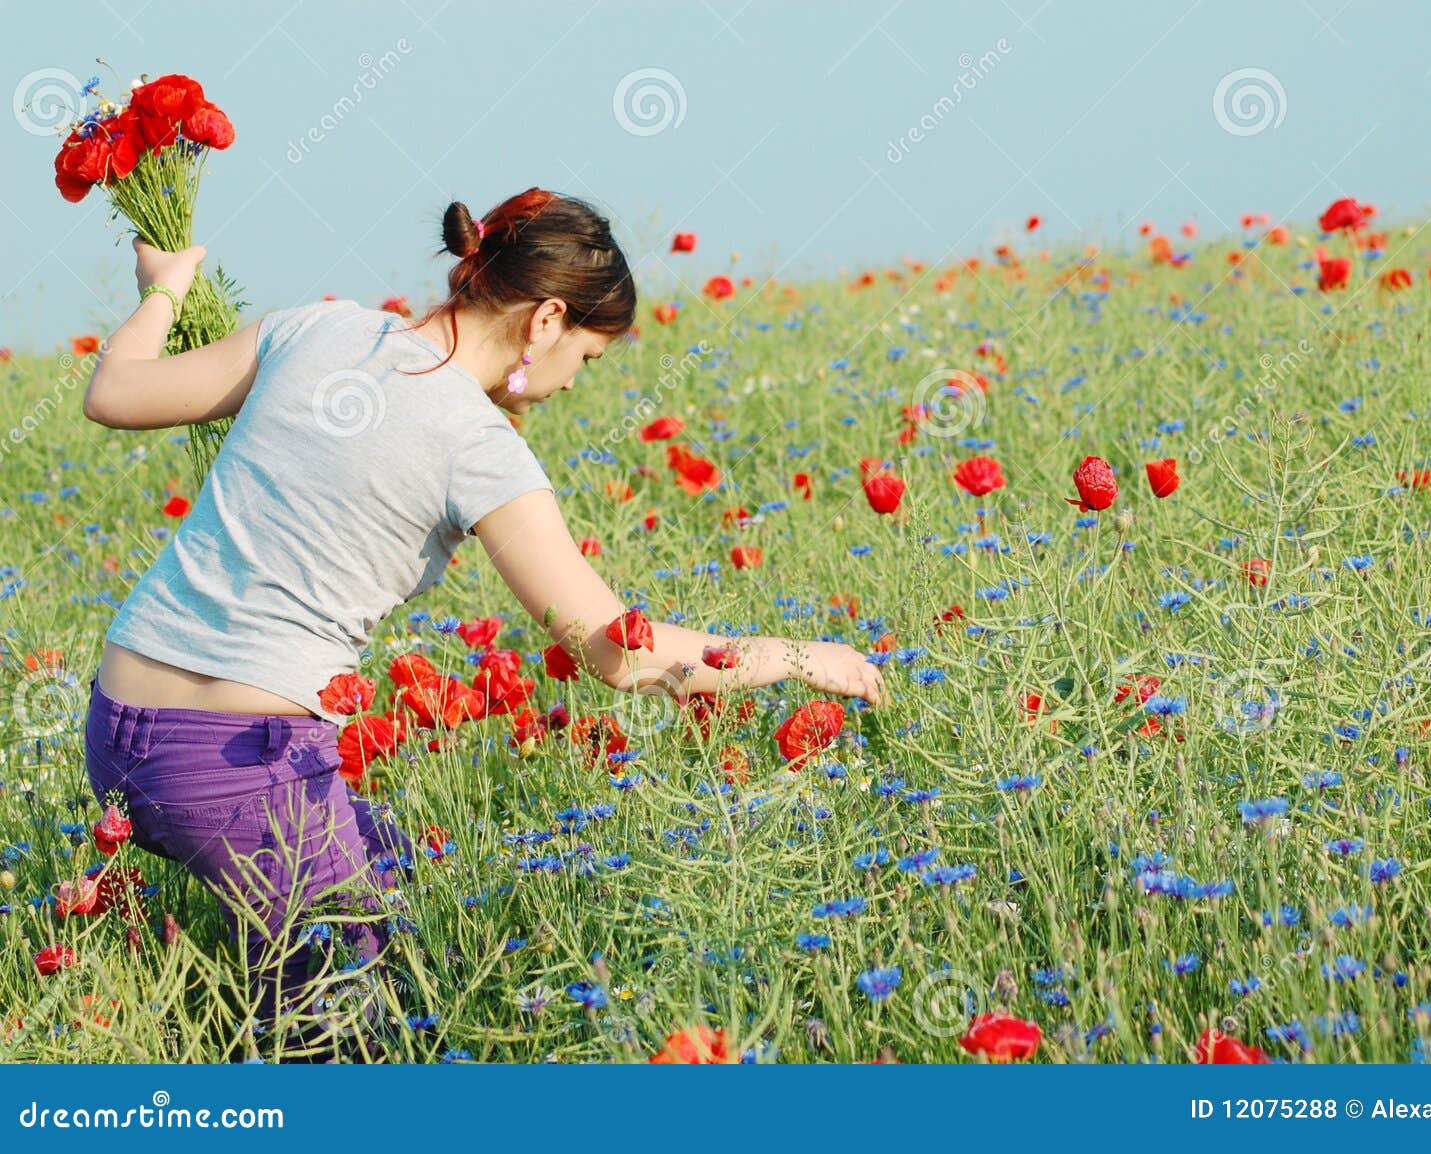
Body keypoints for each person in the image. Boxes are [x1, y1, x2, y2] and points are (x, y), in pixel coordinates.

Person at [79, 186, 886, 1061]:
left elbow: (115, 392)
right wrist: (802, 656)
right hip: (242, 762)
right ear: (545, 319)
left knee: (414, 873)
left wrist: (164, 285)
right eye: (587, 354)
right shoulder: (479, 444)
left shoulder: (319, 328)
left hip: (118, 729)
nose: (576, 380)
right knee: (360, 1039)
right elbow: (621, 654)